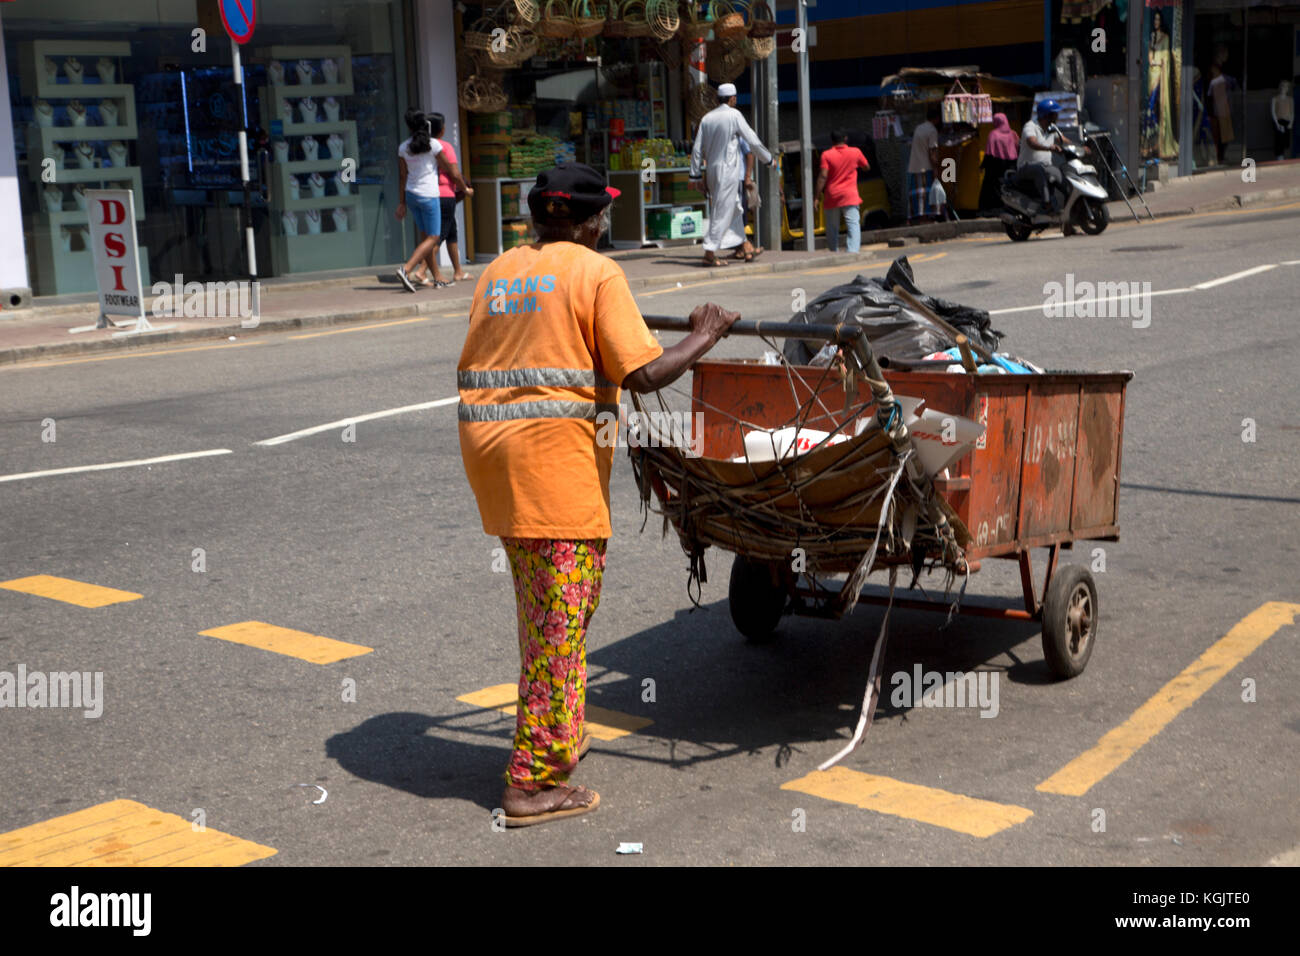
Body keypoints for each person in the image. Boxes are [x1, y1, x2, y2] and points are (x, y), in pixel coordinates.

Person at [456, 162, 740, 826]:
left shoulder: (500, 271)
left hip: (497, 461)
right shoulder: (596, 272)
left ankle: (558, 730)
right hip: (554, 469)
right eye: (603, 215)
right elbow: (644, 374)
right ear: (591, 221)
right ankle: (531, 784)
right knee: (560, 625)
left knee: (550, 615)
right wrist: (706, 331)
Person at [690, 82, 776, 267]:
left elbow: (697, 149)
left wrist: (695, 175)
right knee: (721, 212)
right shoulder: (734, 115)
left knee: (735, 209)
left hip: (712, 171)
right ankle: (709, 253)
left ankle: (746, 247)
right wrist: (768, 159)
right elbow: (751, 139)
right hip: (728, 171)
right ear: (732, 99)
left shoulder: (707, 118)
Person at [395, 108, 472, 292]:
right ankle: (406, 269)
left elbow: (402, 177)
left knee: (425, 236)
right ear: (425, 125)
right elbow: (453, 172)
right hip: (429, 196)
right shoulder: (433, 145)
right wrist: (465, 189)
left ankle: (437, 277)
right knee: (434, 237)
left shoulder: (403, 147)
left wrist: (402, 202)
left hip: (412, 195)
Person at [815, 129, 869, 252]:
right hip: (850, 195)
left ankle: (834, 251)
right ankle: (853, 251)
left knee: (832, 227)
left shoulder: (826, 155)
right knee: (853, 224)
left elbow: (823, 176)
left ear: (832, 140)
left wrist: (816, 197)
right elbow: (866, 166)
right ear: (845, 139)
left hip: (832, 195)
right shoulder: (855, 152)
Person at [1016, 98, 1071, 214]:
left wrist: (1079, 147)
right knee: (1039, 169)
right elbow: (1032, 142)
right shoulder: (1030, 126)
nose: (1057, 116)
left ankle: (1067, 221)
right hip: (1026, 167)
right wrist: (1049, 147)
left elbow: (1064, 140)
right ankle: (1047, 204)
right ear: (1047, 115)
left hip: (1046, 167)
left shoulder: (1052, 128)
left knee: (1066, 184)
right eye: (1055, 113)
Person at [907, 102, 941, 224]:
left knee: (917, 194)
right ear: (937, 119)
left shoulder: (919, 128)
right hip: (925, 167)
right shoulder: (932, 131)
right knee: (925, 194)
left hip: (914, 166)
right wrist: (936, 168)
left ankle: (916, 217)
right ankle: (925, 218)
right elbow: (933, 152)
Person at [978, 113, 1019, 214]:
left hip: (994, 167)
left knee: (991, 189)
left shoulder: (993, 134)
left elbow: (989, 153)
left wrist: (982, 166)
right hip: (1010, 165)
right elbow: (1017, 148)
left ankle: (990, 211)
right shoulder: (1012, 134)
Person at [1271, 81, 1294, 161]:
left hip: (1287, 121)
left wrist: (1291, 122)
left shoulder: (1290, 99)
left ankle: (1285, 156)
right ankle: (1279, 157)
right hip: (1279, 121)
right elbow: (1273, 111)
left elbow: (1292, 111)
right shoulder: (1275, 99)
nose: (1284, 88)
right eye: (1283, 86)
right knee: (1279, 140)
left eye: (1286, 86)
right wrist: (1277, 123)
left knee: (1286, 141)